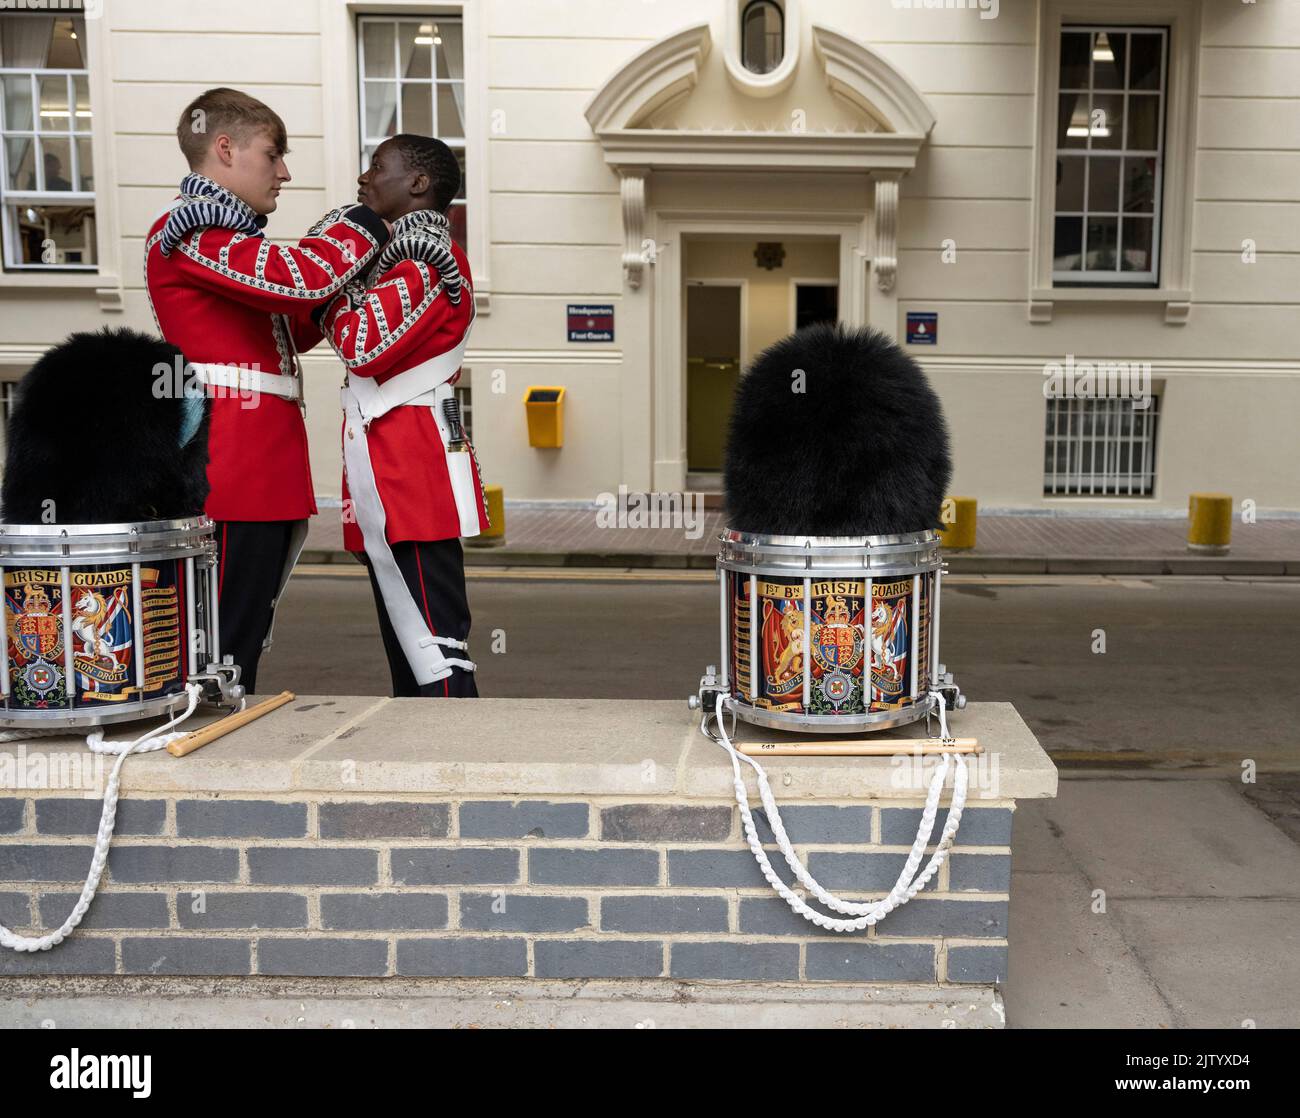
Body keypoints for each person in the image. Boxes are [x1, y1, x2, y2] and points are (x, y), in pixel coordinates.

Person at [144, 87, 391, 693]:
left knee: (245, 631)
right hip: (229, 466)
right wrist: (356, 224)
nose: (284, 172)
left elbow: (295, 322)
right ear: (224, 149)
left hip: (263, 463)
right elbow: (301, 280)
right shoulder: (188, 231)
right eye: (272, 154)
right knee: (217, 642)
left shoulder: (238, 242)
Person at [315, 134, 488, 697]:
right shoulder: (395, 261)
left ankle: (455, 766)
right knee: (407, 643)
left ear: (418, 183)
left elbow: (362, 345)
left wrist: (331, 285)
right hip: (390, 468)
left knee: (434, 650)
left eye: (376, 167)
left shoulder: (425, 260)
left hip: (412, 474)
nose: (364, 178)